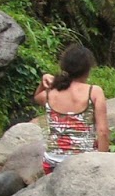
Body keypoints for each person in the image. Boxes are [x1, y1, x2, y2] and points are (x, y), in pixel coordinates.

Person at [33, 43, 109, 174]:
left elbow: (37, 97)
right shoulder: (94, 92)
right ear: (88, 69)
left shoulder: (51, 92)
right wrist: (102, 163)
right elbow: (102, 132)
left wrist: (43, 81)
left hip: (52, 162)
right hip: (82, 162)